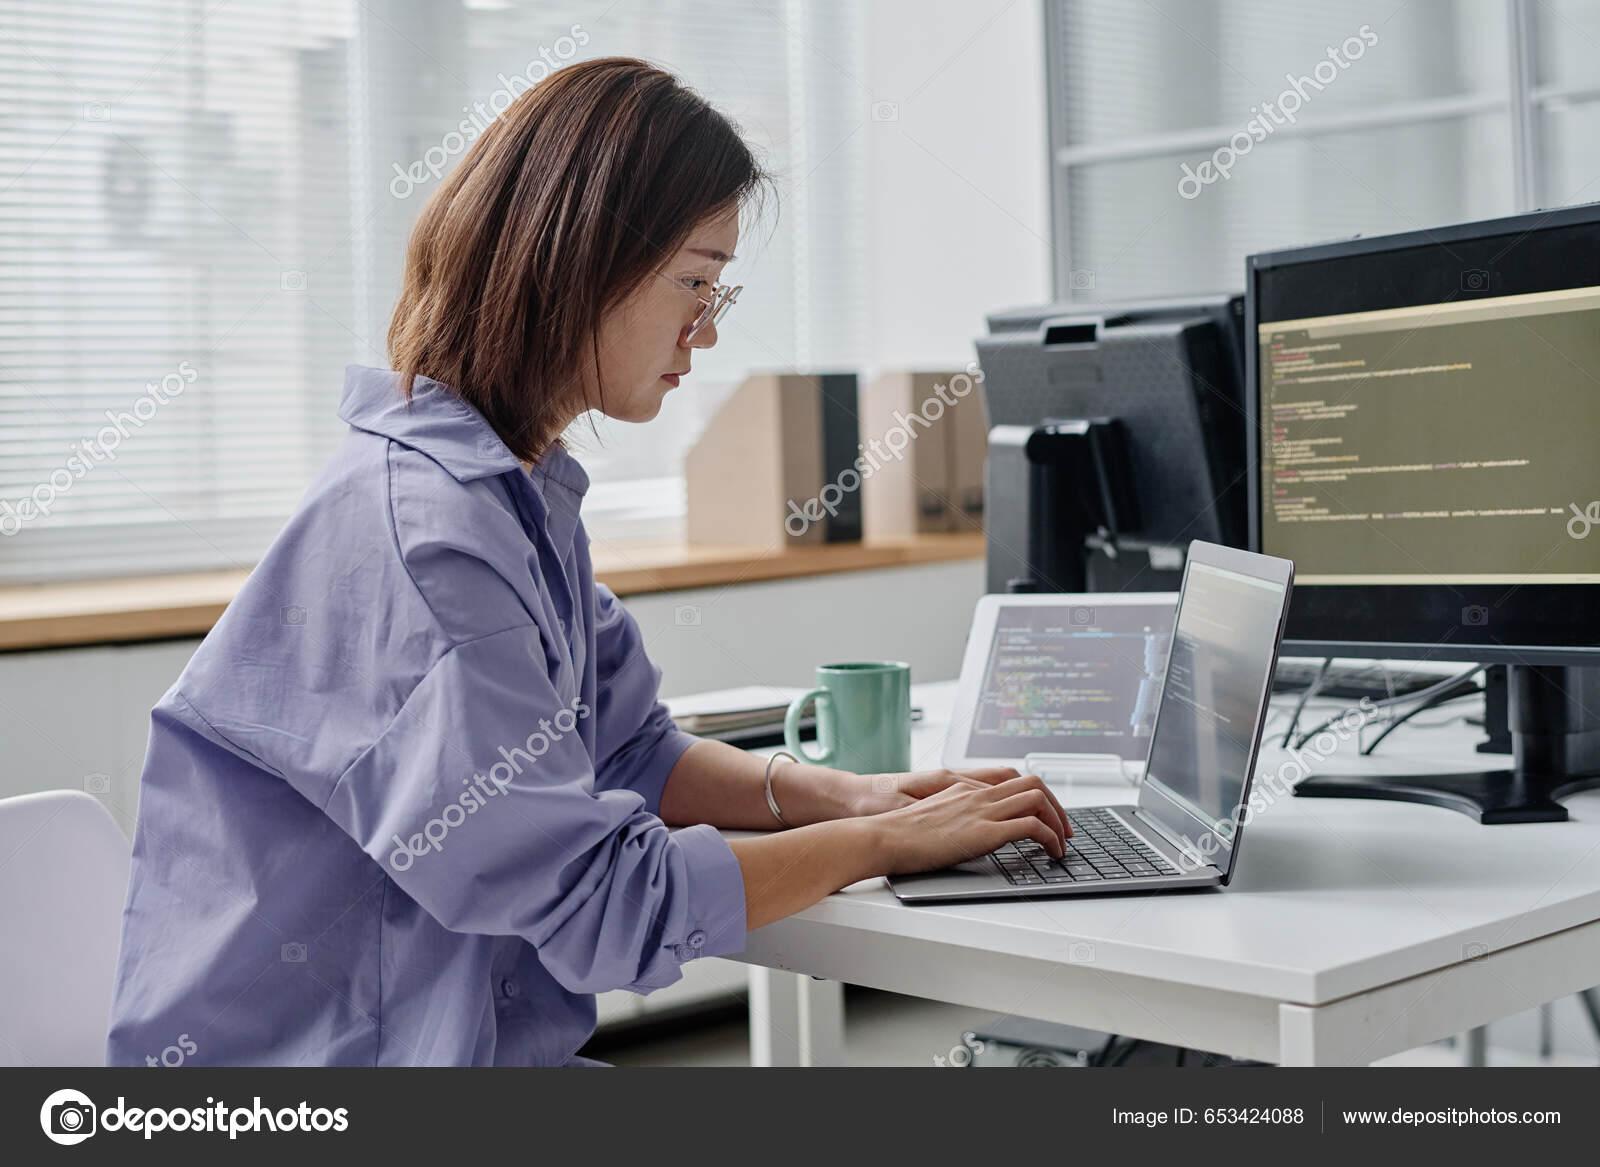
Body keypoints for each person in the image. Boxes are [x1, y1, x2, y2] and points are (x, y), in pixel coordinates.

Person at [104, 57, 1069, 1068]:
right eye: (693, 282)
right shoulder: (429, 545)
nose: (705, 332)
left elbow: (631, 752)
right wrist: (884, 847)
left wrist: (857, 796)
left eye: (719, 291)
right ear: (574, 262)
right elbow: (608, 904)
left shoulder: (509, 491)